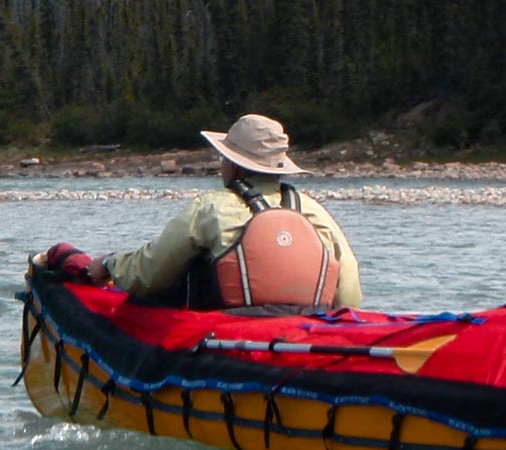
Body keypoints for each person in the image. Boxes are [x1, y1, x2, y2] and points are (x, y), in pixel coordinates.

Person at [81, 114, 362, 311]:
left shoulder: (212, 208)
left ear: (236, 166)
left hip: (230, 345)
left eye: (224, 158)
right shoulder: (314, 211)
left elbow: (151, 271)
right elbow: (349, 293)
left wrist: (110, 264)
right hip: (303, 337)